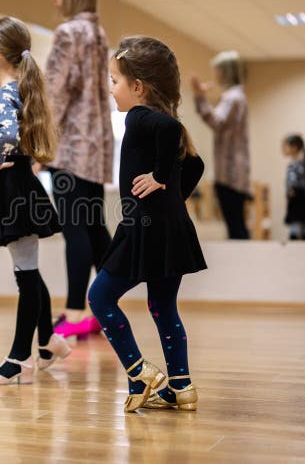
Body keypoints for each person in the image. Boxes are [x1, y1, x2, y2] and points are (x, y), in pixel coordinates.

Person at [88, 36, 207, 413]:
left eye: (114, 81)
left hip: (144, 227)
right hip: (170, 228)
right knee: (163, 306)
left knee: (100, 297)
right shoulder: (164, 122)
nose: (111, 90)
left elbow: (171, 138)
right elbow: (196, 165)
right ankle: (181, 387)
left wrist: (159, 178)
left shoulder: (140, 117)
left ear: (137, 87)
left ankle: (139, 370)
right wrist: (171, 195)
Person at [0, 17, 72, 385]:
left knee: (26, 276)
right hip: (19, 181)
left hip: (11, 185)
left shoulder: (5, 94)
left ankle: (20, 357)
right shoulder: (21, 90)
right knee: (28, 271)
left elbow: (8, 134)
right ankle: (47, 341)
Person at [45, 0, 114, 337]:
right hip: (97, 148)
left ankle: (74, 313)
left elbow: (54, 94)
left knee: (76, 231)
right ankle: (106, 307)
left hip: (71, 149)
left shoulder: (69, 32)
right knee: (93, 227)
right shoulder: (98, 34)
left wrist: (38, 143)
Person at [192, 51, 251, 239]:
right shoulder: (235, 97)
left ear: (225, 72)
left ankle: (244, 263)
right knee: (235, 224)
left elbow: (217, 123)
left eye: (217, 71)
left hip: (231, 172)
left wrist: (200, 97)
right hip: (231, 171)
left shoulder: (234, 98)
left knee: (235, 225)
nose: (215, 76)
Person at [282, 135, 305, 240]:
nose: (284, 149)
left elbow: (292, 183)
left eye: (286, 146)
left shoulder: (294, 165)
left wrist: (289, 193)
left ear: (294, 147)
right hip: (304, 198)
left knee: (295, 230)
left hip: (296, 199)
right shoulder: (304, 163)